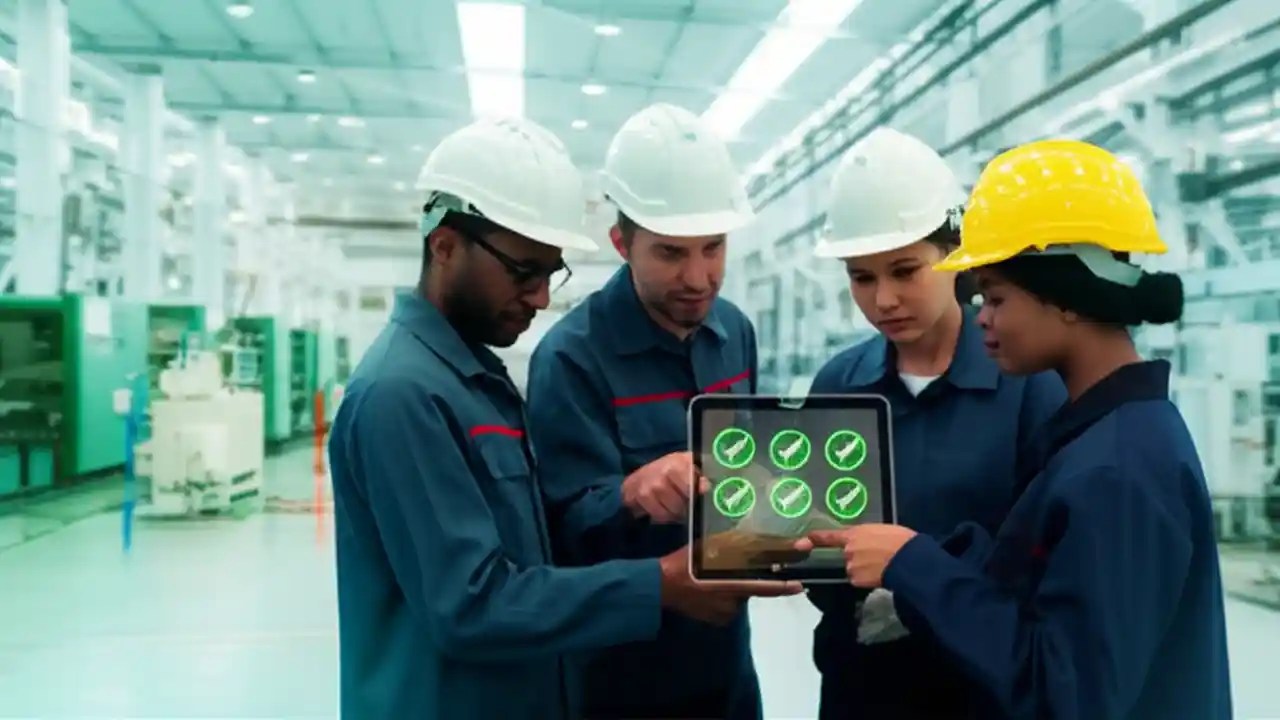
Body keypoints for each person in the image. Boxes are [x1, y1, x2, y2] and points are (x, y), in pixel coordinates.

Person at [327, 117, 798, 720]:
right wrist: (653, 564)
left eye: (550, 273)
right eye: (524, 272)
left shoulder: (475, 379)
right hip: (578, 684)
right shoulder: (404, 395)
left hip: (694, 669)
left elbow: (528, 554)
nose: (542, 297)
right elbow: (474, 603)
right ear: (443, 246)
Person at [801, 138, 1233, 720]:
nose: (982, 317)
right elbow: (1037, 582)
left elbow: (1066, 694)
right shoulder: (1103, 438)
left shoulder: (1115, 468)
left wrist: (914, 567)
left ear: (1068, 298)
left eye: (995, 297)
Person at [803, 127, 1067, 719]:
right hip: (862, 689)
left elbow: (1048, 561)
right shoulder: (839, 385)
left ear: (956, 255)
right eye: (861, 277)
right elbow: (817, 544)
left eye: (905, 271)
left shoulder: (1028, 385)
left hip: (980, 692)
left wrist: (918, 592)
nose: (883, 300)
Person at [525, 103, 766, 719]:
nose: (699, 277)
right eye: (671, 253)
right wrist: (630, 494)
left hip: (727, 663)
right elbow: (557, 532)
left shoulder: (734, 333)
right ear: (622, 244)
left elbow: (752, 470)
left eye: (713, 248)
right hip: (624, 676)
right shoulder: (571, 358)